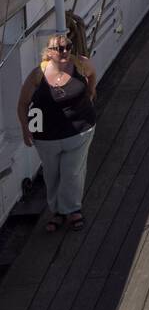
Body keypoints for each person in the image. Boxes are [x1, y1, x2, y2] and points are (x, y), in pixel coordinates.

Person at [16, 33, 97, 232]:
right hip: (46, 136)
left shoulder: (81, 64)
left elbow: (92, 75)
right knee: (52, 175)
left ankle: (73, 210)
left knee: (71, 172)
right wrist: (25, 129)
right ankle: (57, 211)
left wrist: (91, 91)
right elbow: (22, 104)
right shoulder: (37, 74)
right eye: (58, 48)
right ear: (48, 52)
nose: (64, 51)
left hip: (80, 130)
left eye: (67, 46)